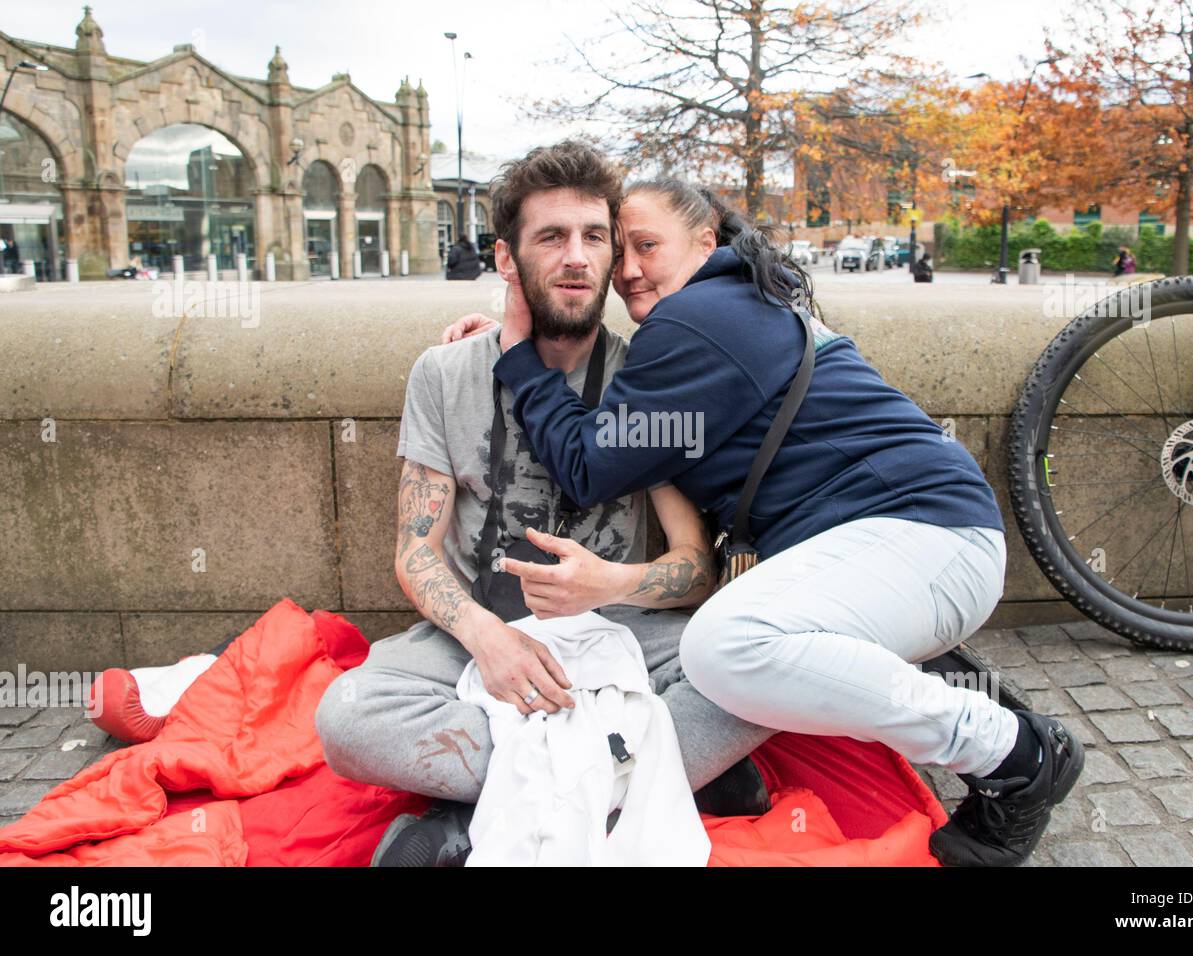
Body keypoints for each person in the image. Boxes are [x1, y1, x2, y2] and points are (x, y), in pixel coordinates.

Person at [470, 177, 1085, 867]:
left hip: (921, 535)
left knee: (722, 644)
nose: (631, 268)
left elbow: (586, 466)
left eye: (646, 245)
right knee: (729, 647)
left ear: (705, 241)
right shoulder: (737, 305)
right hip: (912, 549)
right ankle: (959, 712)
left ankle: (1014, 752)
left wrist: (519, 352)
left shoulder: (697, 318)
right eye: (622, 254)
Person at [314, 144, 775, 867]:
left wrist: (614, 583)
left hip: (620, 637)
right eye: (552, 237)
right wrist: (486, 638)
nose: (578, 258)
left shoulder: (647, 375)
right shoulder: (444, 372)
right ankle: (636, 769)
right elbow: (415, 549)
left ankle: (470, 820)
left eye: (596, 237)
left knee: (756, 680)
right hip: (480, 632)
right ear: (506, 257)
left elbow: (695, 568)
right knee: (346, 718)